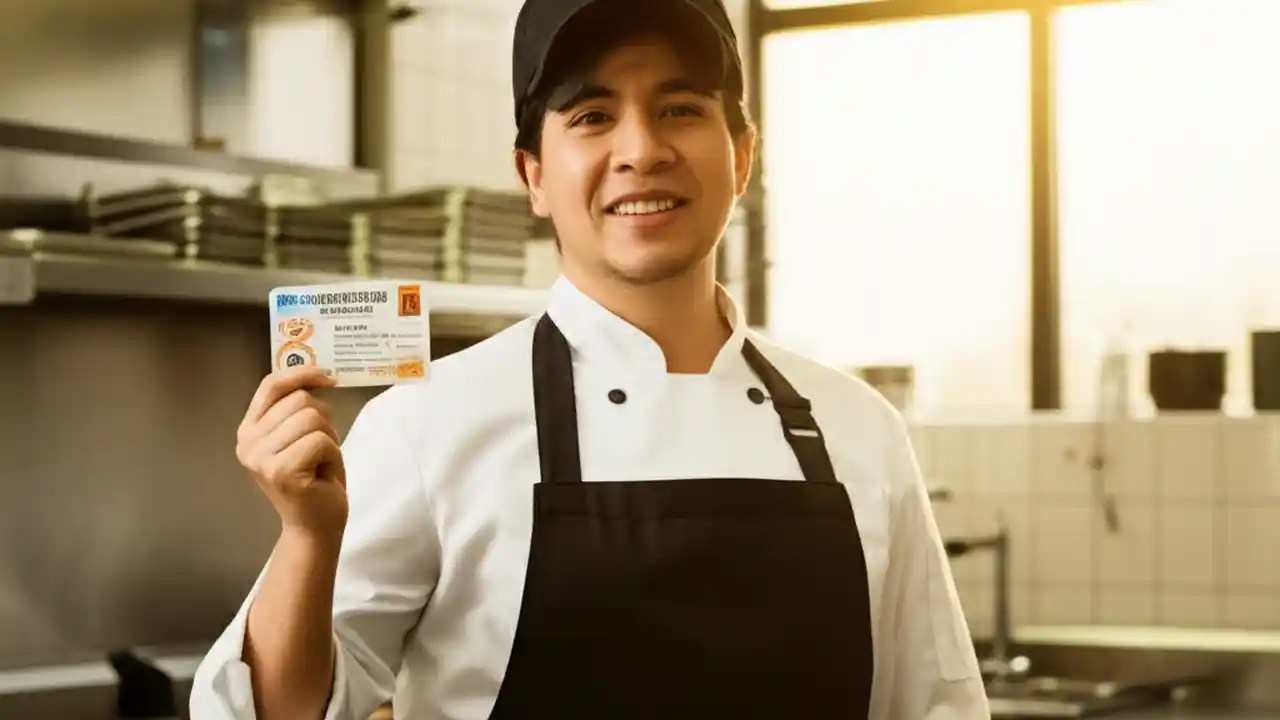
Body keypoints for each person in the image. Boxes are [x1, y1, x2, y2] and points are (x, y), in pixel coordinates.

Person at [190, 0, 989, 717]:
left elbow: (938, 708)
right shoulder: (428, 424)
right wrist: (307, 537)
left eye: (679, 108)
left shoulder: (862, 431)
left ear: (742, 156)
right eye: (591, 116)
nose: (641, 150)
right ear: (533, 175)